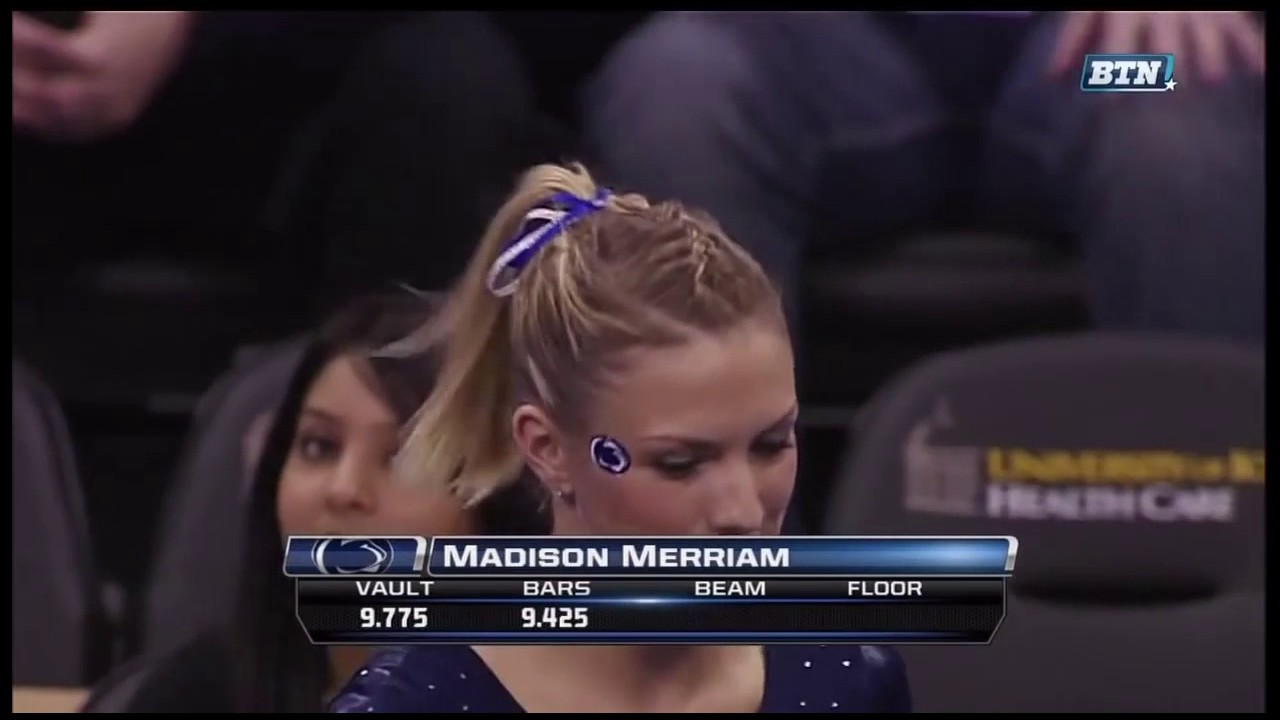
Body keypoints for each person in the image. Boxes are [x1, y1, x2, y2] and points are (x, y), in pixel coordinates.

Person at [327, 163, 912, 713]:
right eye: (681, 463)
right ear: (548, 449)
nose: (741, 510)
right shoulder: (411, 703)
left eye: (770, 445)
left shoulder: (849, 678)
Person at [583, 11, 1266, 345]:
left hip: (1088, 55)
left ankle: (1222, 571)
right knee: (679, 82)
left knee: (1171, 90)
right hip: (822, 56)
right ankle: (732, 593)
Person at [82, 293, 547, 713]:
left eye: (405, 458)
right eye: (318, 447)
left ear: (489, 504)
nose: (343, 489)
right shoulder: (192, 696)